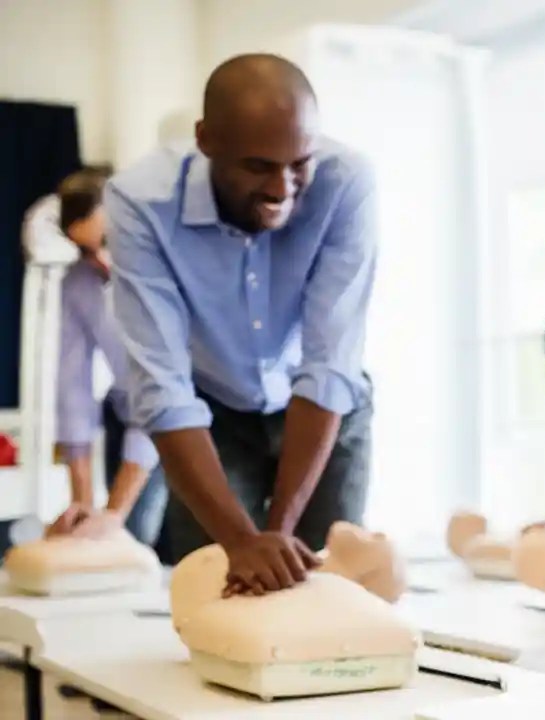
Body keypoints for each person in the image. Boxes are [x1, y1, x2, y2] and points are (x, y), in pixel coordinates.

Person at [107, 53, 377, 597]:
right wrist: (242, 541)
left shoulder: (346, 181)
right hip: (215, 417)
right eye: (258, 166)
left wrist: (275, 534)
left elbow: (329, 364)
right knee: (214, 593)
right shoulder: (140, 203)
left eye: (298, 163)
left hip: (322, 411)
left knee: (332, 593)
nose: (282, 188)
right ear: (207, 141)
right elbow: (162, 388)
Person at [45, 169, 169, 548]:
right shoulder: (77, 284)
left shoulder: (160, 275)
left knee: (136, 536)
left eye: (105, 243)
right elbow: (73, 387)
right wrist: (81, 503)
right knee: (93, 536)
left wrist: (114, 514)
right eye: (85, 249)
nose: (99, 259)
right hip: (127, 410)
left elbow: (161, 389)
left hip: (185, 416)